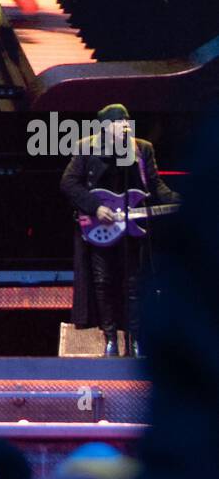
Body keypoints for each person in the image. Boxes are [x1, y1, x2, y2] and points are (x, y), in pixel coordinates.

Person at [60, 103, 181, 356]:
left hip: (131, 228)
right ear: (106, 127)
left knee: (133, 284)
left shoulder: (141, 149)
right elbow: (69, 183)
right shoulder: (86, 147)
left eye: (127, 122)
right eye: (120, 122)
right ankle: (110, 338)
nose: (126, 126)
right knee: (103, 282)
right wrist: (95, 208)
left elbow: (155, 185)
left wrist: (180, 201)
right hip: (99, 229)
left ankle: (136, 340)